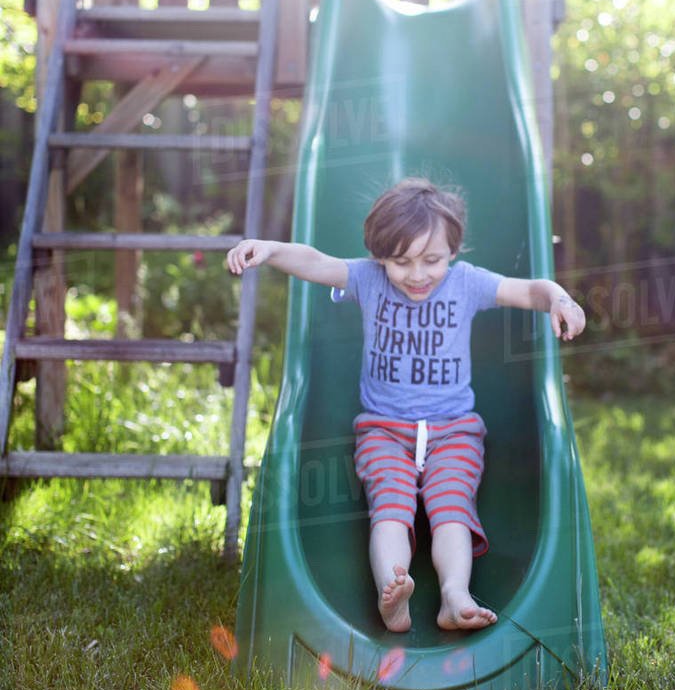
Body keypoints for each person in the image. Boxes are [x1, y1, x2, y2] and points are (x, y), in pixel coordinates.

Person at [227, 178, 585, 634]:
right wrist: (271, 250)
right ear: (381, 257)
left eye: (432, 260)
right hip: (383, 429)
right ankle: (390, 593)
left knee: (452, 508)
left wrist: (559, 297)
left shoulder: (466, 284)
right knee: (390, 510)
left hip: (454, 430)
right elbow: (317, 262)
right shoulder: (367, 279)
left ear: (453, 251)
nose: (417, 275)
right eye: (401, 262)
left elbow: (528, 290)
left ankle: (455, 595)